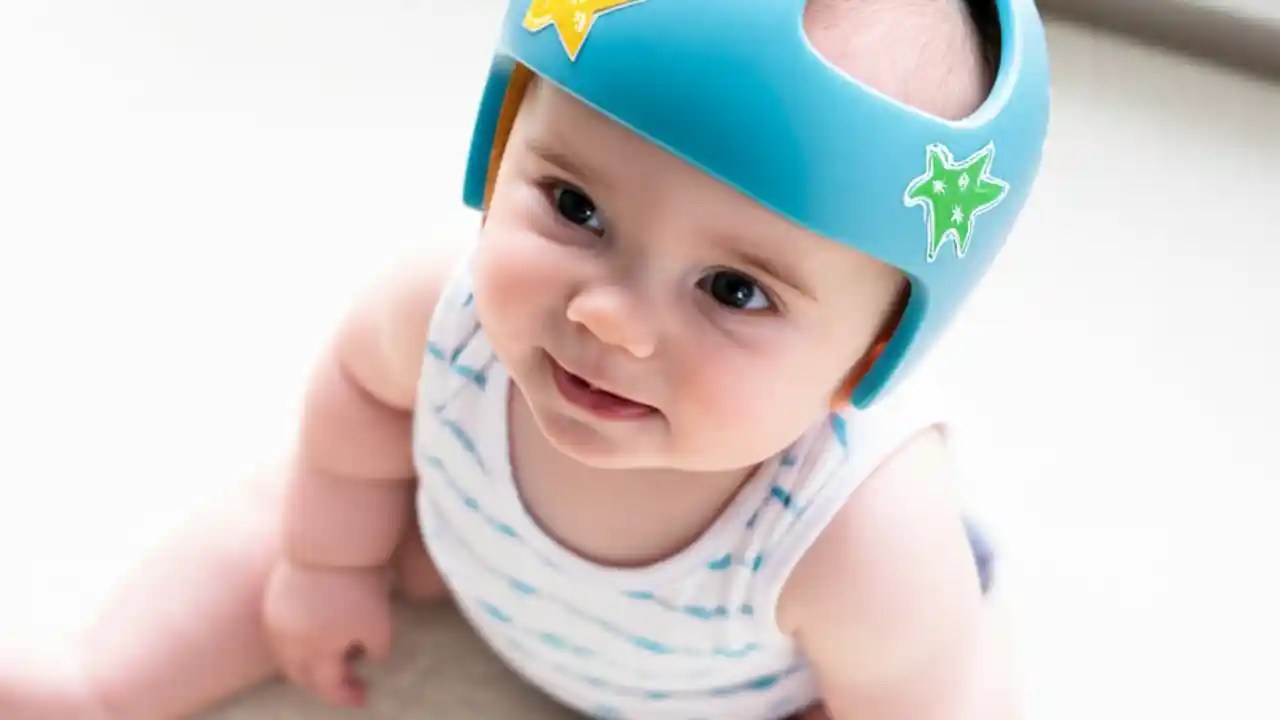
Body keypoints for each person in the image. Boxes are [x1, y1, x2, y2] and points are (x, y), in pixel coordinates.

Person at [0, 0, 1050, 718]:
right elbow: (357, 401)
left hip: (724, 686)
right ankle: (103, 682)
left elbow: (924, 699)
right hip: (472, 550)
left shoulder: (862, 537)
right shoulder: (443, 316)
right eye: (576, 206)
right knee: (279, 520)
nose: (610, 320)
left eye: (734, 290)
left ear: (874, 351)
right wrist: (328, 566)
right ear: (498, 149)